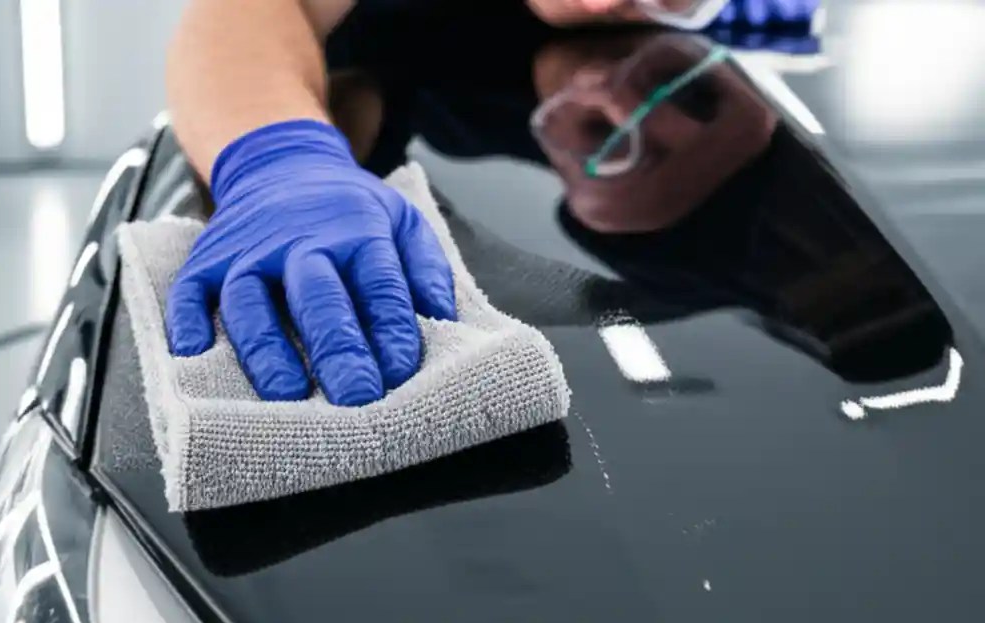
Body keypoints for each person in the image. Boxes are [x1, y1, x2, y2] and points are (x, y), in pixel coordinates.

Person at [164, 0, 819, 406]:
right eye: (690, 100)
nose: (622, 97)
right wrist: (277, 159)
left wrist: (279, 154)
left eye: (606, 139)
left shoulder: (440, 113)